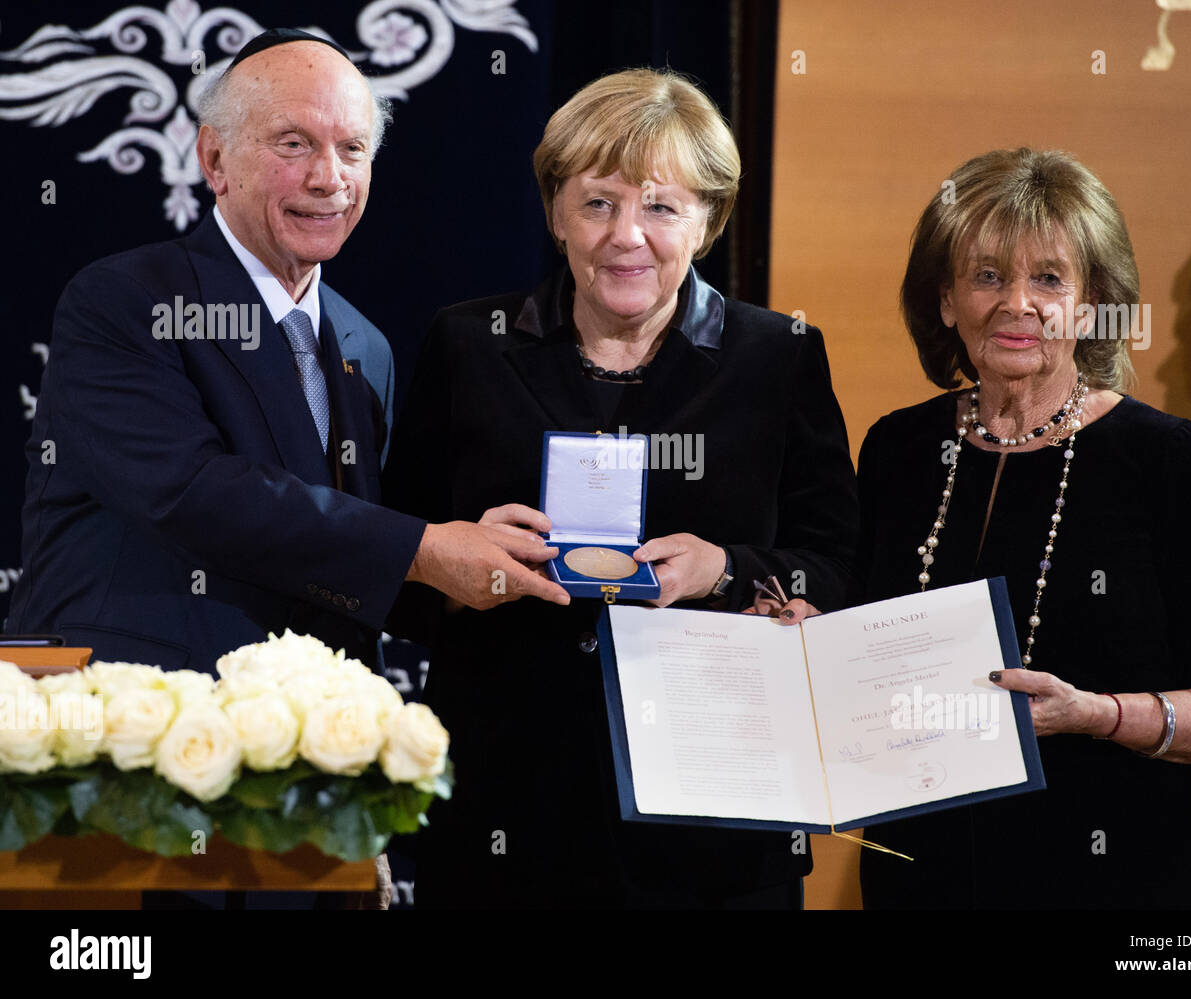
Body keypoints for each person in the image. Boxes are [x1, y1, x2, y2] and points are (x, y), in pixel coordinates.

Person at [382, 68, 859, 908]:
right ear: (555, 212)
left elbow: (842, 566)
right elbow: (391, 562)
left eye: (661, 207)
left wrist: (725, 569)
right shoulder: (469, 344)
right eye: (598, 203)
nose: (625, 236)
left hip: (717, 813)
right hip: (509, 803)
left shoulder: (778, 357)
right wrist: (461, 565)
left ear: (707, 221)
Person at [765, 148, 1191, 908]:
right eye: (988, 275)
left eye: (1049, 279)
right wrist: (807, 633)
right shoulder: (898, 447)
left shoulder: (1165, 458)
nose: (1017, 304)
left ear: (1092, 305)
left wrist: (1098, 713)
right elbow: (867, 640)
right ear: (945, 300)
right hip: (918, 875)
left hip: (1109, 879)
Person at [6, 29, 567, 675]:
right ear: (215, 160)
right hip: (124, 720)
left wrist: (493, 563)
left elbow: (348, 551)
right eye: (294, 144)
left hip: (305, 738)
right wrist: (425, 548)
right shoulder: (125, 300)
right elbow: (195, 494)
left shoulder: (365, 345)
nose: (329, 178)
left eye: (352, 149)